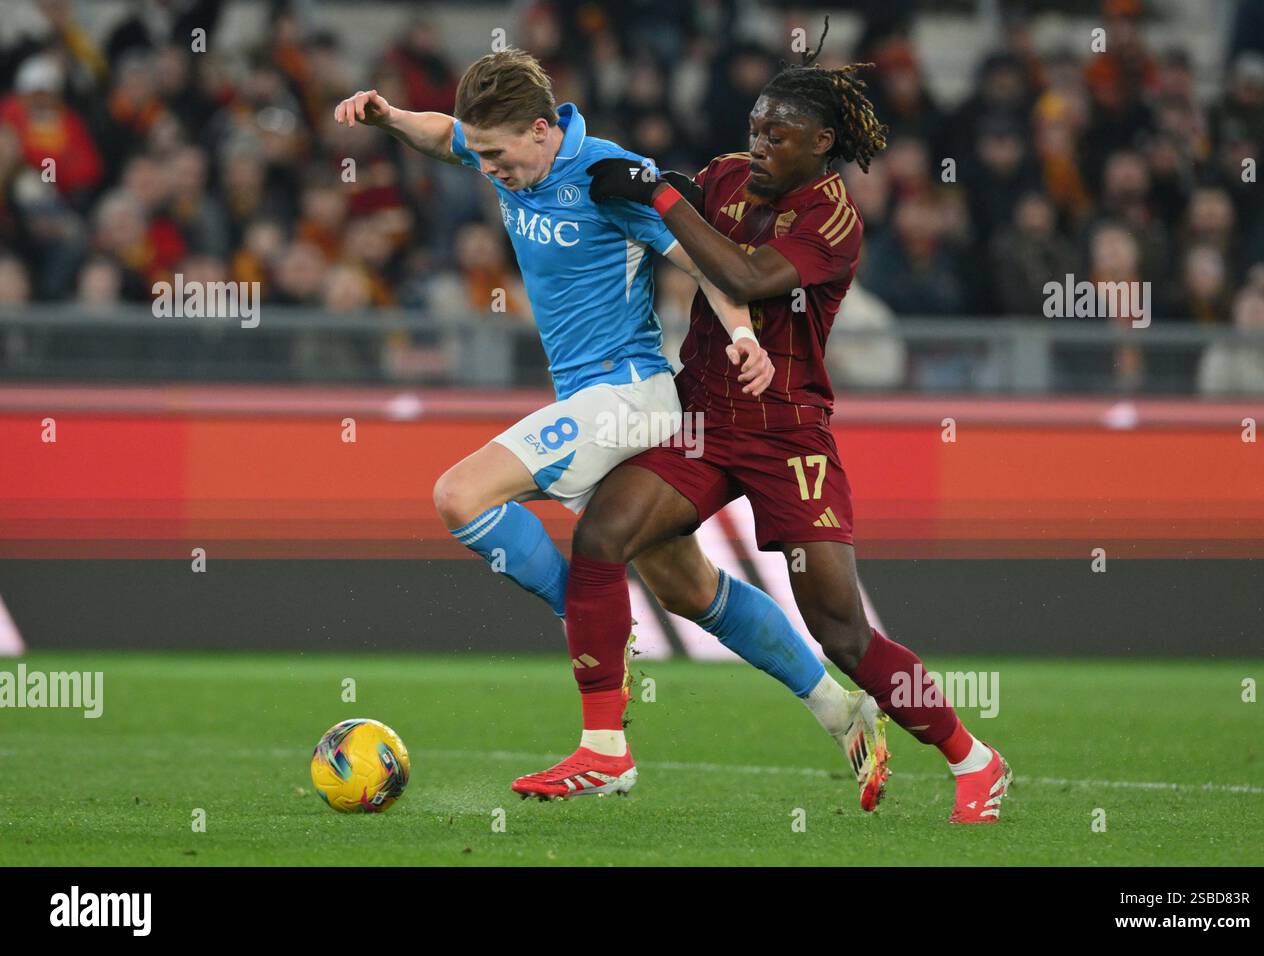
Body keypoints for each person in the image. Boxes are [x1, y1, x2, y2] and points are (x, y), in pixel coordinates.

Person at [333, 49, 888, 805]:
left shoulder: (606, 174)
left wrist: (746, 338)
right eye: (482, 156)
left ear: (541, 129)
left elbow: (702, 263)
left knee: (460, 495)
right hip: (596, 403)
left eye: (499, 156)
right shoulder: (501, 147)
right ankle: (839, 707)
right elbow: (445, 138)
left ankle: (596, 669)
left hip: (628, 396)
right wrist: (390, 118)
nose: (489, 170)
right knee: (687, 586)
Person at [514, 35, 1010, 823]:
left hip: (789, 437)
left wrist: (662, 196)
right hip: (702, 416)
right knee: (603, 537)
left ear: (823, 144)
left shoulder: (834, 219)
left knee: (844, 632)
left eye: (778, 136)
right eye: (755, 129)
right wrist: (635, 184)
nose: (760, 147)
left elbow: (741, 275)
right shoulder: (727, 178)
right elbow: (674, 205)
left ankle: (972, 759)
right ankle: (604, 750)